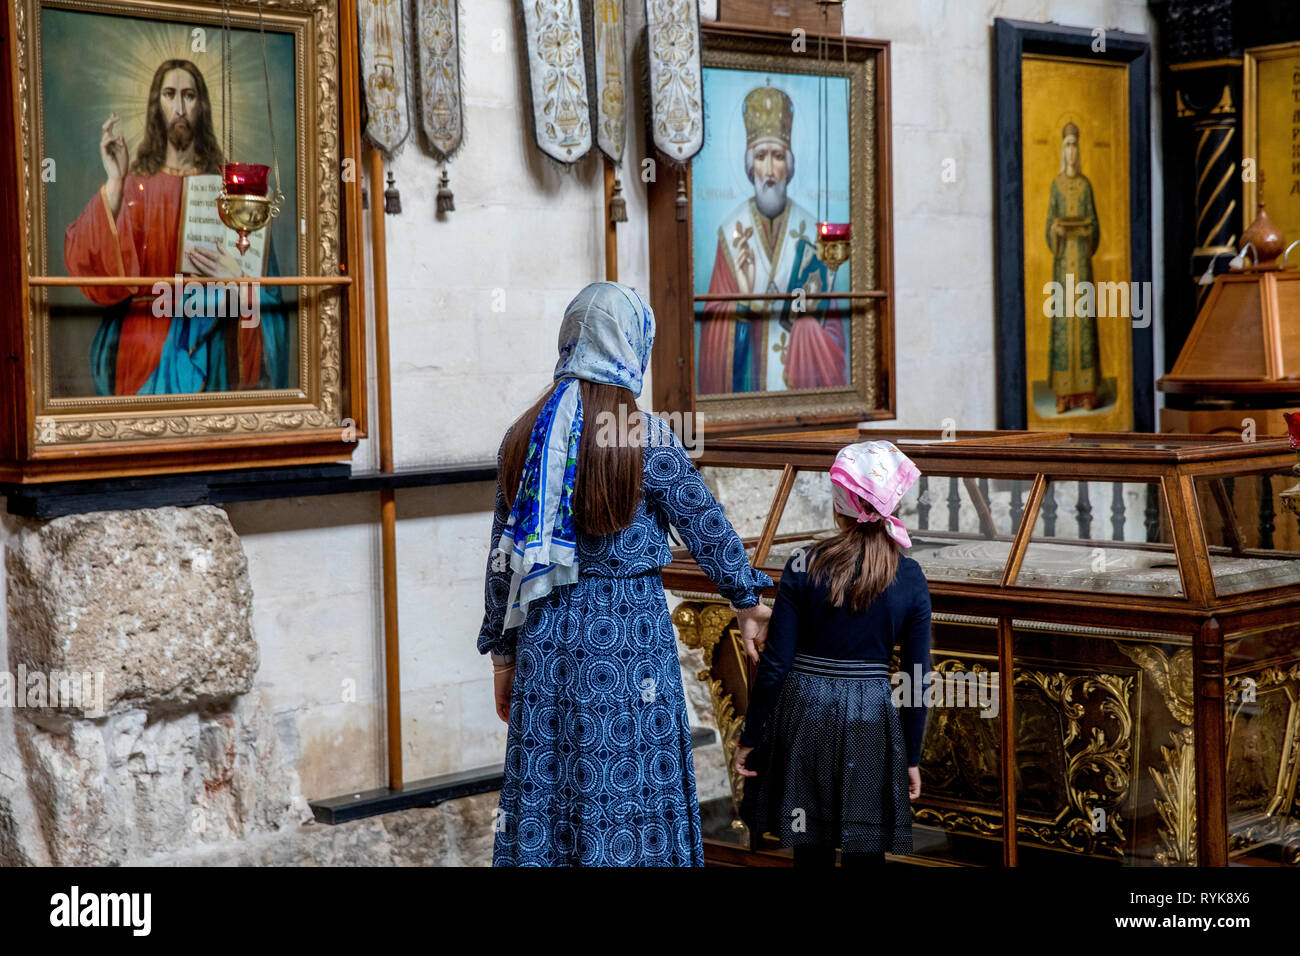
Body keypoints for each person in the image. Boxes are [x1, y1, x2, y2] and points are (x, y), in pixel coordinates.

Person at [478, 281, 773, 866]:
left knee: (554, 785)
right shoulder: (644, 435)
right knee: (632, 787)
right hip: (630, 638)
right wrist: (747, 600)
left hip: (549, 638)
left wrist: (503, 658)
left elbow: (502, 561)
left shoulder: (523, 436)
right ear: (632, 345)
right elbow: (704, 523)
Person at [735, 440, 931, 867]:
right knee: (866, 851)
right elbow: (918, 679)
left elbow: (775, 666)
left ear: (839, 505)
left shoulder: (803, 563)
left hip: (805, 712)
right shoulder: (911, 576)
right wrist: (911, 756)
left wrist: (751, 737)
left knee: (809, 846)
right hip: (871, 719)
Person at [64, 58, 288, 396]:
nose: (180, 108)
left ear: (202, 106)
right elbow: (87, 267)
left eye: (189, 95)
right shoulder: (133, 186)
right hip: (144, 345)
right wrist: (115, 183)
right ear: (157, 105)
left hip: (212, 346)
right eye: (170, 95)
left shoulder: (232, 193)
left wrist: (239, 281)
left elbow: (267, 291)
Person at [698, 85, 847, 394]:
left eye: (777, 157)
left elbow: (833, 329)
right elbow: (713, 331)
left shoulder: (812, 231)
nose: (768, 170)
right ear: (750, 165)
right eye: (760, 156)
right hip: (750, 385)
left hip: (798, 393)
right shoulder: (731, 232)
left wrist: (808, 329)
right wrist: (743, 303)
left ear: (788, 166)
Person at [1045, 120, 1102, 414]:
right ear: (1062, 150)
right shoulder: (1056, 185)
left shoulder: (1085, 185)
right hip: (1062, 265)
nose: (1071, 152)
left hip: (1081, 262)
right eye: (1067, 146)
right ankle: (1064, 394)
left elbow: (1094, 223)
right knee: (1064, 323)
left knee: (1083, 322)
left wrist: (1087, 231)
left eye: (1074, 146)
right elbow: (1049, 223)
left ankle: (1087, 391)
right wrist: (1055, 230)